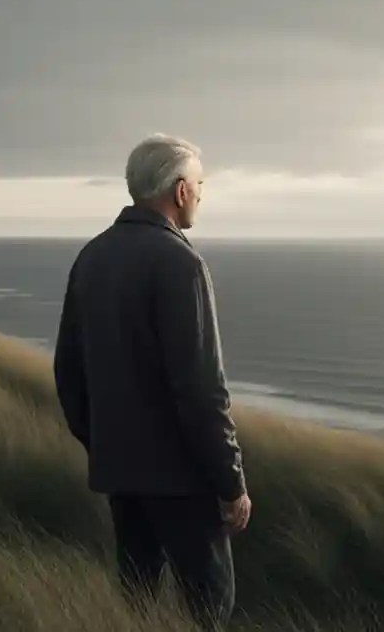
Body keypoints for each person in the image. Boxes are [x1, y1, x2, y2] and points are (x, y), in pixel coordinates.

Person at [54, 133, 251, 631]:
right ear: (181, 190)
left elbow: (68, 371)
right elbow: (202, 388)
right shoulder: (180, 263)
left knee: (136, 603)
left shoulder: (92, 257)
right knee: (208, 607)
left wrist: (103, 443)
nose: (202, 195)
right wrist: (231, 483)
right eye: (199, 184)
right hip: (182, 480)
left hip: (121, 472)